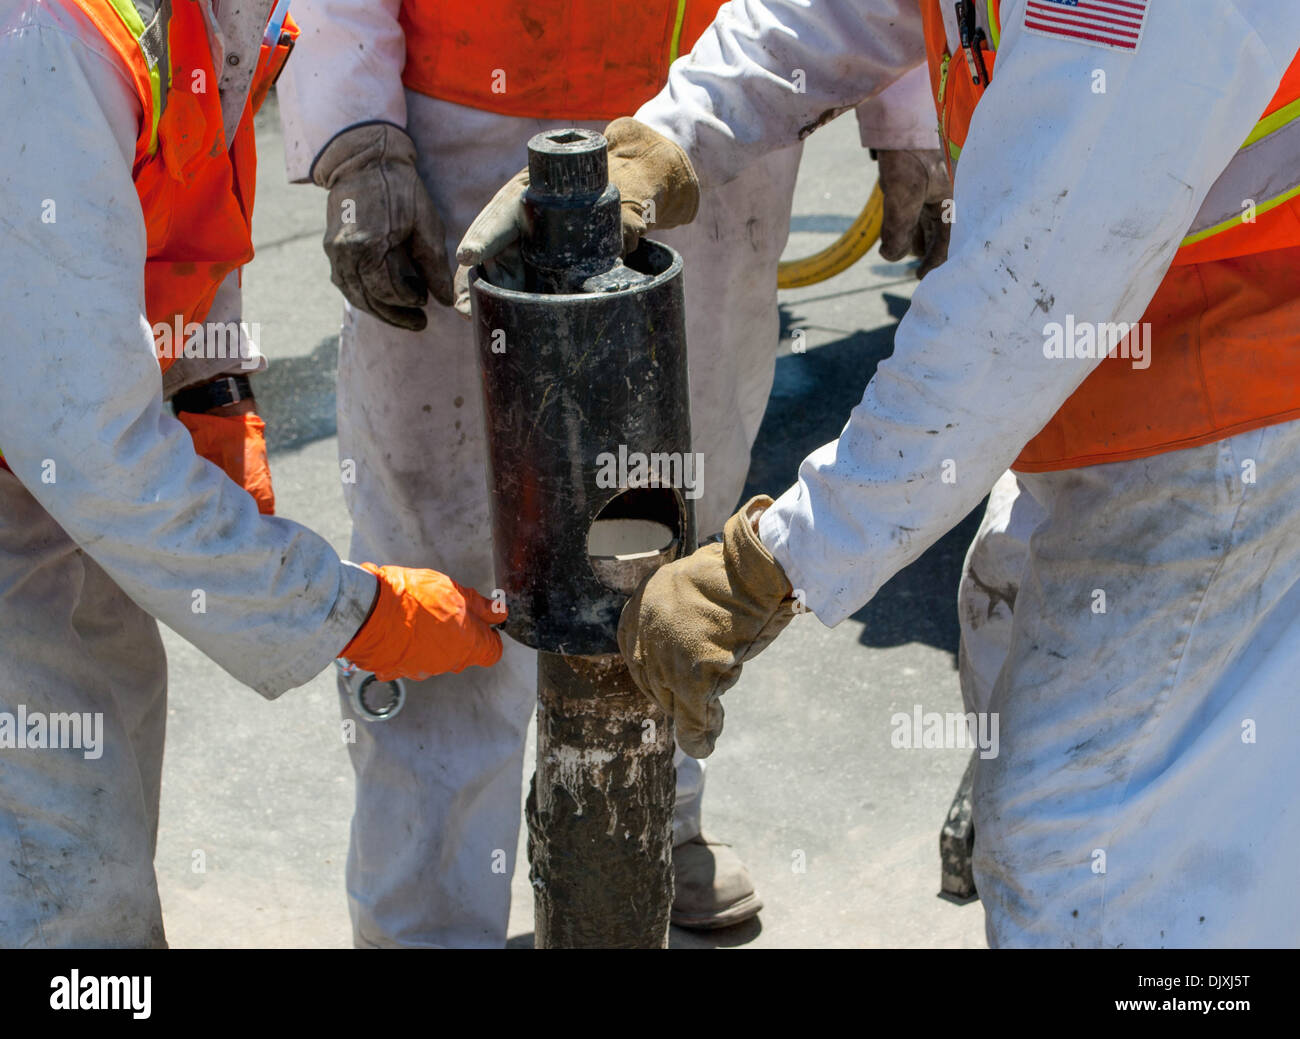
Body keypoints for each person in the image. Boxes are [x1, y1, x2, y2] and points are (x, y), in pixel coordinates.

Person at [470, 0, 1300, 947]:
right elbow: (845, 11)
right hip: (1113, 396)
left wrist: (776, 557)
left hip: (1233, 418)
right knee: (1078, 722)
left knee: (1080, 850)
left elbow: (1017, 305)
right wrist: (672, 134)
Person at [277, 0, 950, 945]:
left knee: (667, 529)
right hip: (465, 126)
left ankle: (649, 824)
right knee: (441, 561)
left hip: (729, 117)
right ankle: (429, 913)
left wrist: (910, 114)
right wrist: (359, 134)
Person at [0, 0, 502, 948]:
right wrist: (351, 610)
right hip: (41, 446)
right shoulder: (48, 44)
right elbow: (94, 449)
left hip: (36, 443)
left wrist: (211, 391)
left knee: (103, 736)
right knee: (61, 866)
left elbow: (183, 211)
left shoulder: (206, 20)